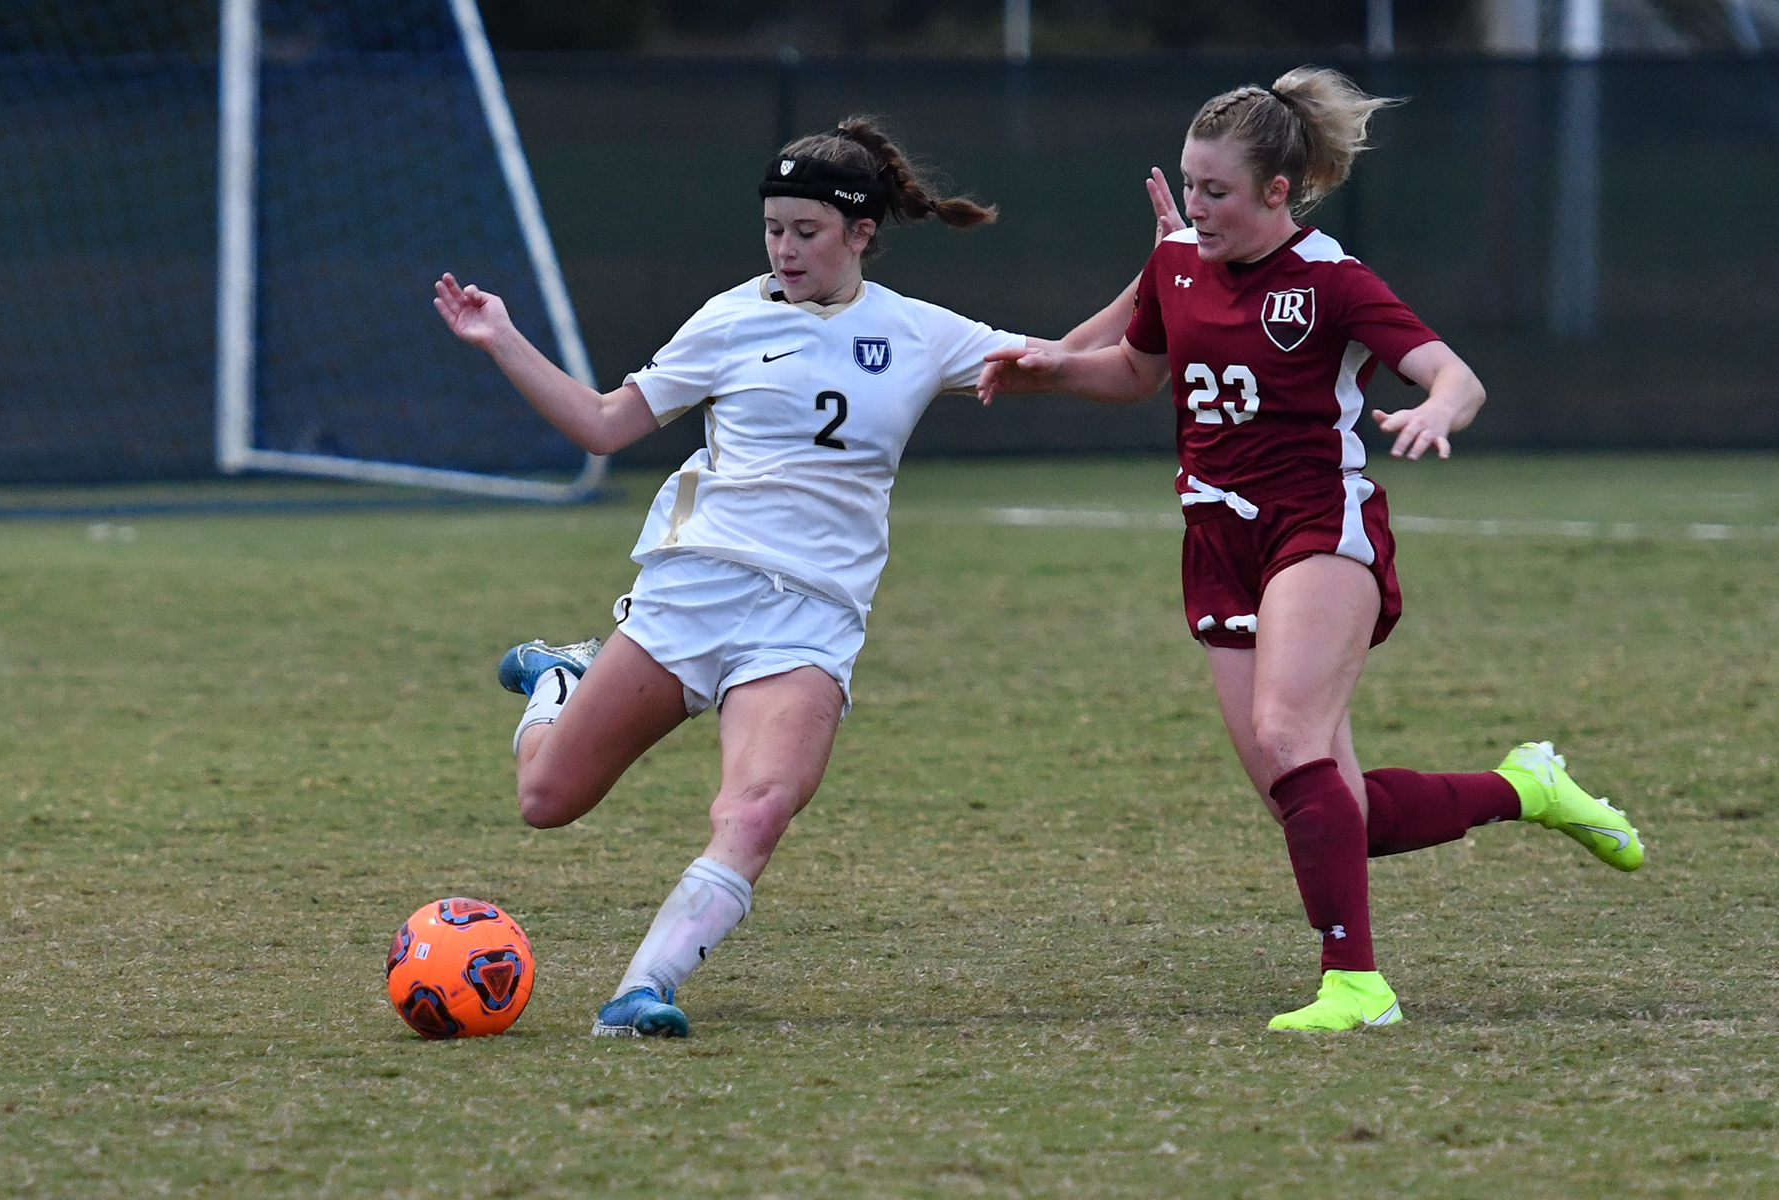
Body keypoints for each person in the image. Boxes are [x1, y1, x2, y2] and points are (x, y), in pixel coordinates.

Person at [979, 67, 1644, 1032]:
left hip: (1316, 526)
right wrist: (1042, 371)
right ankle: (1526, 788)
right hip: (1214, 542)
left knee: (1293, 738)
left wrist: (1435, 411)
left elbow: (1453, 374)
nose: (1195, 207)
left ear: (1277, 192)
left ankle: (1356, 987)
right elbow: (1133, 370)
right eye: (1188, 184)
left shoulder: (1332, 281)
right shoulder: (1174, 261)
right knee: (1326, 808)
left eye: (1216, 191)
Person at [433, 117, 1022, 1038]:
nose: (784, 249)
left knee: (756, 807)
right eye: (773, 228)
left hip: (811, 619)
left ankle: (641, 994)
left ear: (861, 233)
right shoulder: (728, 317)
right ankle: (559, 675)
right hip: (695, 591)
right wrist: (501, 338)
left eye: (806, 231)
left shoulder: (920, 333)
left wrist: (1168, 276)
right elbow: (602, 425)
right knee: (545, 800)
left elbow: (1082, 365)